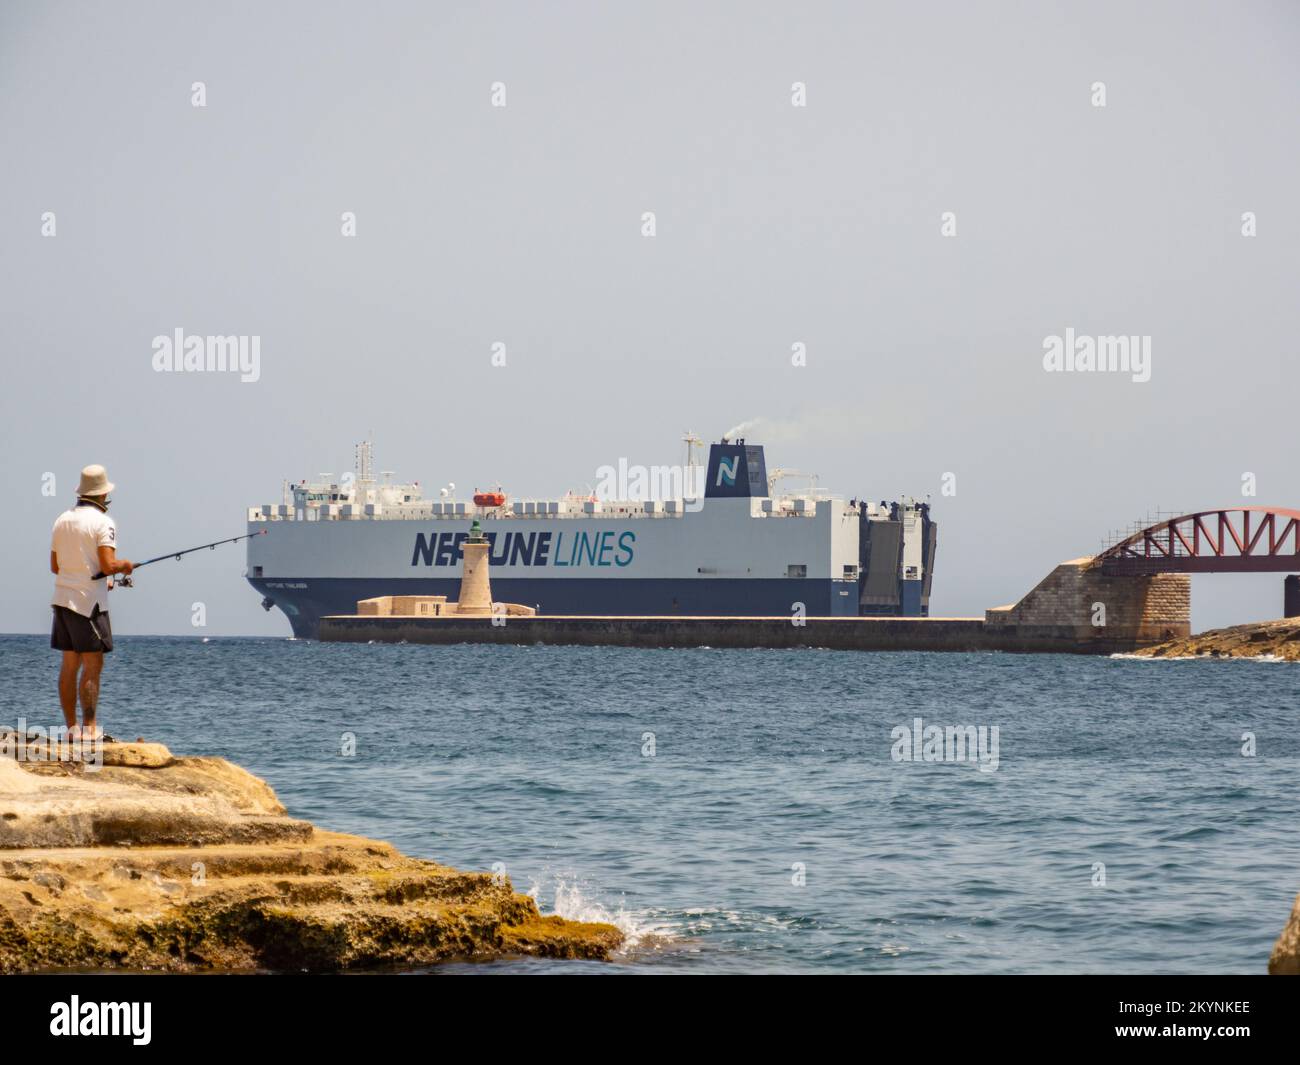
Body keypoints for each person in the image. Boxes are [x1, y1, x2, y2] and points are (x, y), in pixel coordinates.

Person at [50, 465, 132, 740]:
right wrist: (125, 565)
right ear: (102, 495)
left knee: (69, 665)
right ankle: (90, 729)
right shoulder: (103, 522)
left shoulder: (61, 520)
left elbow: (55, 565)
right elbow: (109, 565)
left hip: (62, 600)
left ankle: (72, 729)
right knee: (93, 665)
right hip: (89, 605)